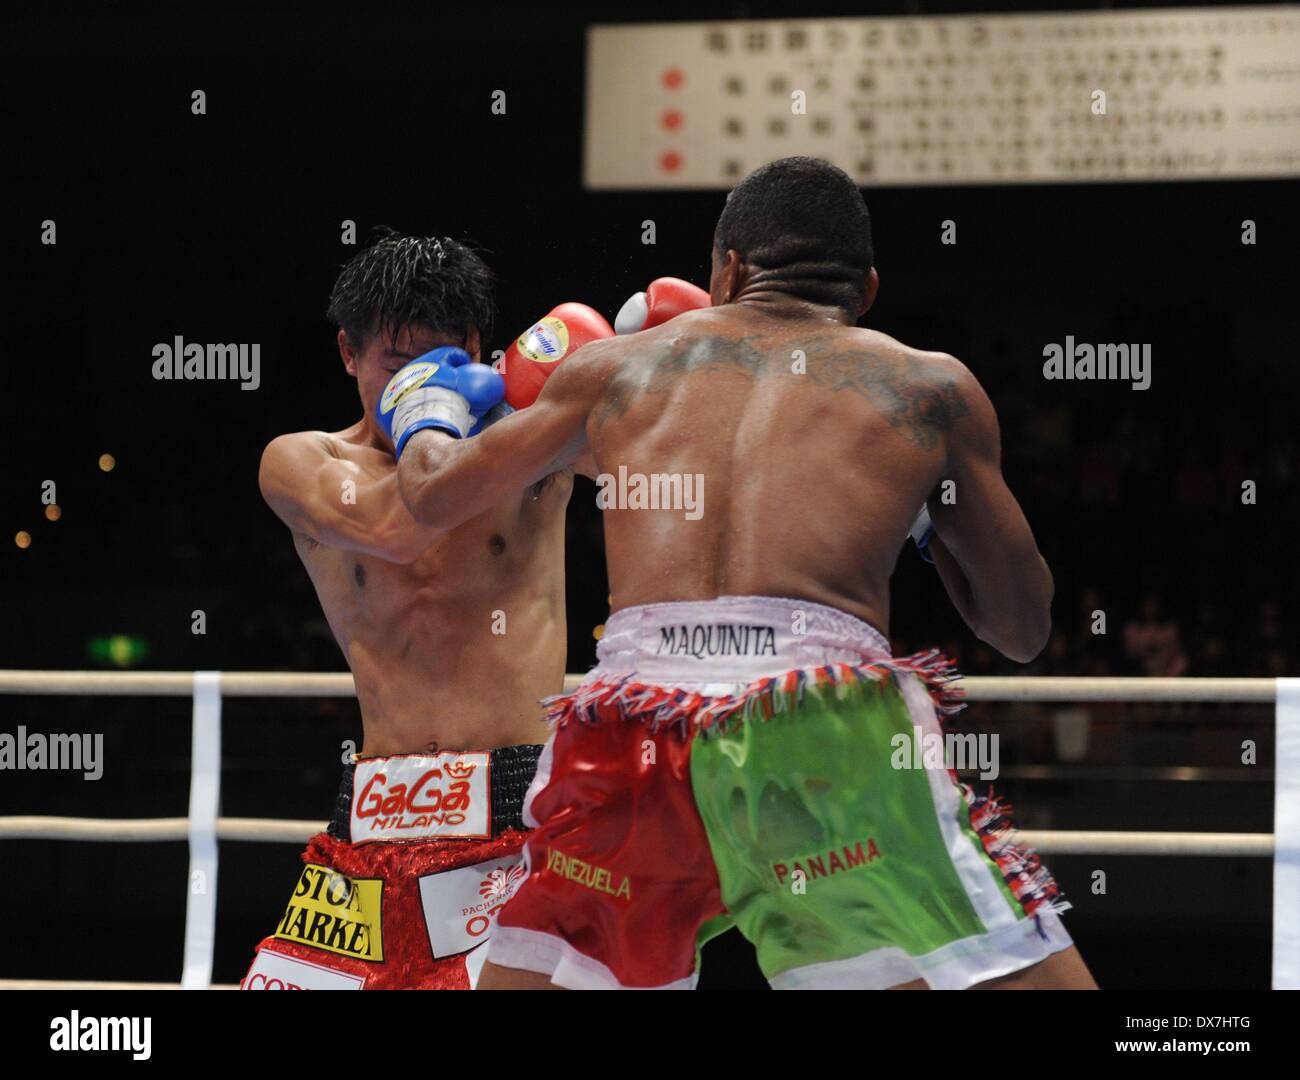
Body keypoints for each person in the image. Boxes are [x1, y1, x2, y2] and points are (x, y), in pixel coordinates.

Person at [393, 158, 1097, 990]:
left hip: (630, 729)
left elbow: (435, 498)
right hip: (824, 725)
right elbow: (1020, 629)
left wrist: (423, 406)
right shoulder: (926, 387)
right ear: (865, 289)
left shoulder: (615, 368)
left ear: (724, 268)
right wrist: (924, 524)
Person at [242, 229, 602, 989]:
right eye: (397, 366)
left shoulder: (527, 446)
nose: (418, 383)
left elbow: (659, 451)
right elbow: (397, 528)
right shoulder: (303, 462)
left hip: (519, 809)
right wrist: (432, 416)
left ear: (480, 347)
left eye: (444, 361)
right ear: (348, 351)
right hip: (373, 817)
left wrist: (635, 356)